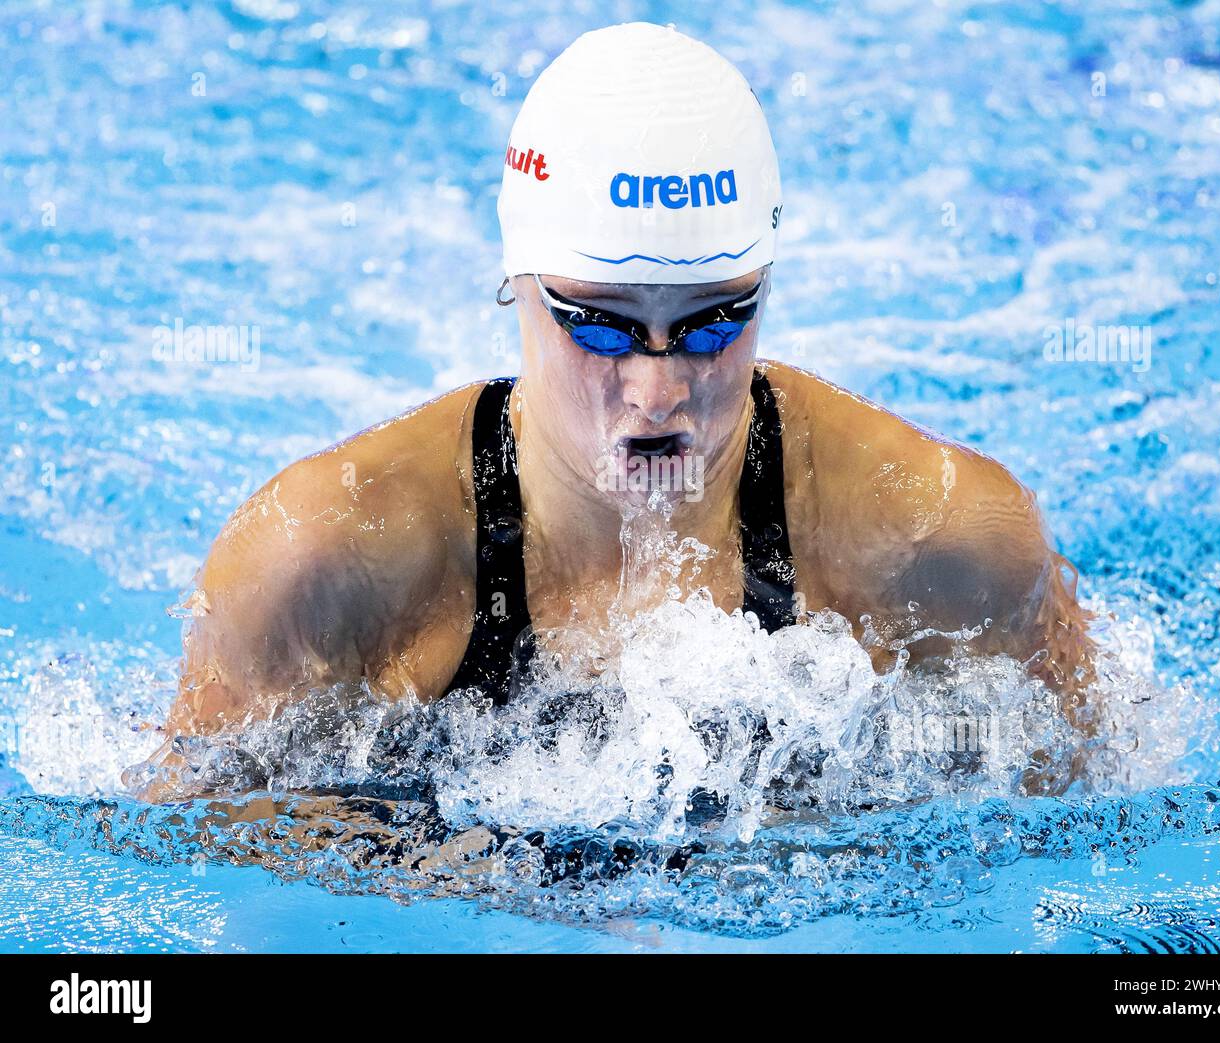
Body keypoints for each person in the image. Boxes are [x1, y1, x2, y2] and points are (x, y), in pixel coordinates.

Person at [145, 22, 1095, 799]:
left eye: (714, 322)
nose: (659, 392)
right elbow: (202, 858)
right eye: (600, 327)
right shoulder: (322, 563)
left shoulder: (941, 538)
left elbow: (1093, 818)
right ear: (517, 283)